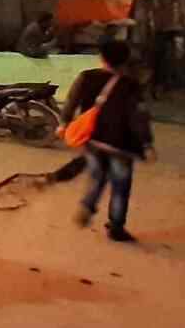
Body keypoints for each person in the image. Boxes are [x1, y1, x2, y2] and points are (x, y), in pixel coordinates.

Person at [64, 40, 154, 242]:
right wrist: (147, 144)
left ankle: (88, 205)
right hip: (121, 145)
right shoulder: (131, 85)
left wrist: (64, 123)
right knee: (120, 188)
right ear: (125, 60)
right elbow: (138, 117)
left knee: (96, 177)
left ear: (102, 58)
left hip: (93, 140)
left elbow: (71, 102)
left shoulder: (86, 77)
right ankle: (116, 227)